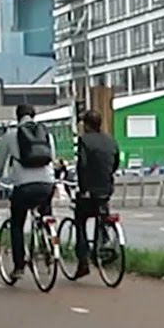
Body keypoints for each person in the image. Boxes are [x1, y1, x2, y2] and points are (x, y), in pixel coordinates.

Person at [0, 104, 55, 282]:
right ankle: (49, 245)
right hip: (47, 184)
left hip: (24, 187)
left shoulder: (11, 135)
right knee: (45, 213)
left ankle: (19, 266)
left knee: (17, 223)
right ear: (34, 115)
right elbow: (52, 159)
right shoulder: (46, 133)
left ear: (17, 116)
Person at [72, 109, 119, 277]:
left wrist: (82, 188)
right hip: (106, 188)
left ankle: (83, 260)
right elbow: (116, 163)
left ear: (86, 125)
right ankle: (103, 244)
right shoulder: (110, 140)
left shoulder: (84, 141)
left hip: (90, 190)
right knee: (102, 213)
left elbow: (82, 166)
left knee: (80, 219)